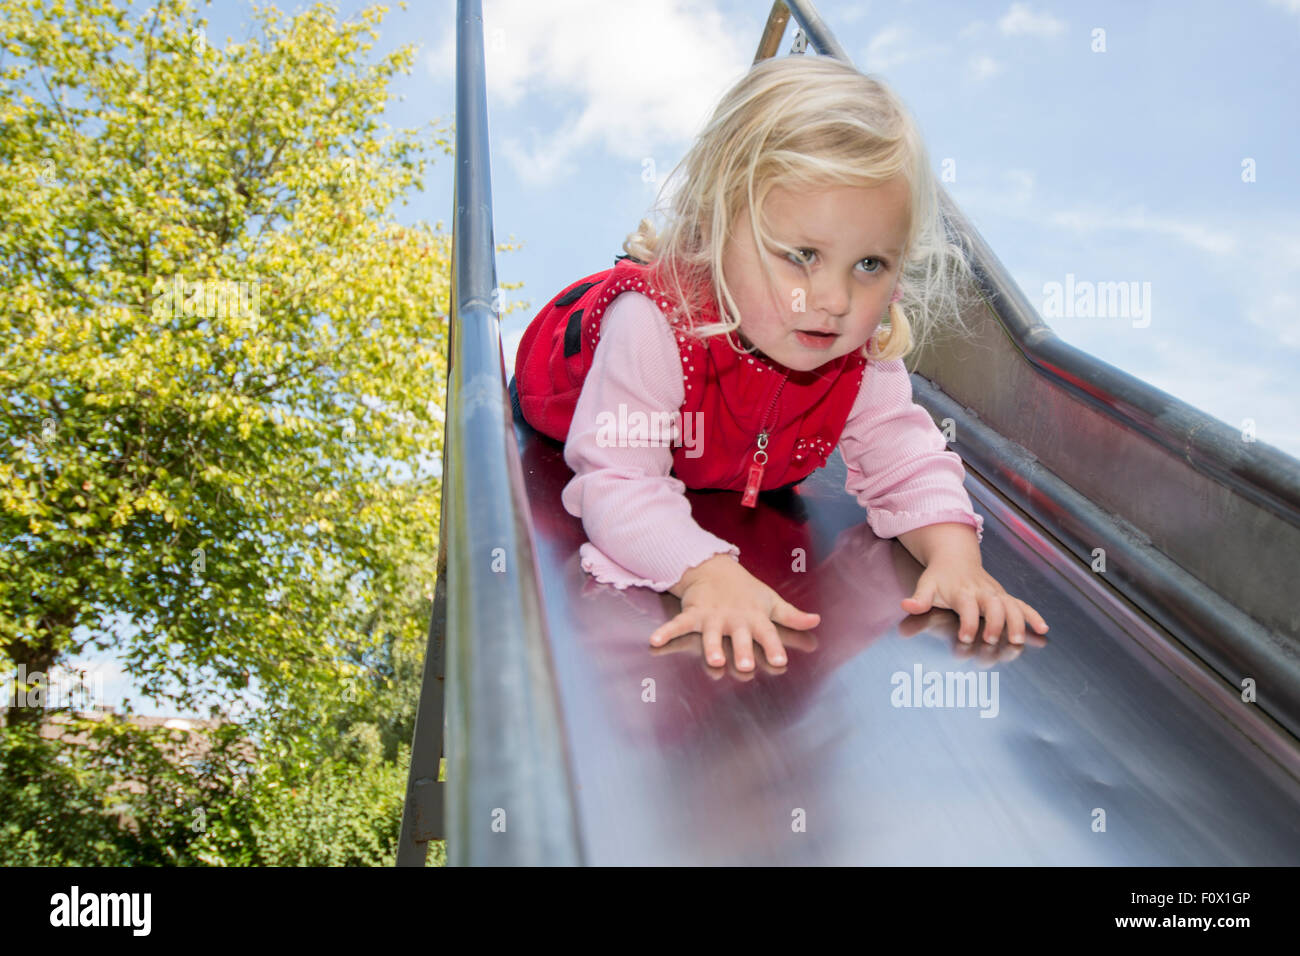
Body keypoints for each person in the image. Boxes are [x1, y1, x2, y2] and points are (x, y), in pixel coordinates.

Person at [512, 54, 1048, 672]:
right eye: (802, 254)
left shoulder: (856, 352)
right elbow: (619, 480)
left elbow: (906, 456)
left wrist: (956, 557)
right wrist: (706, 574)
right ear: (717, 226)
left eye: (870, 264)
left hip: (719, 451)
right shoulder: (656, 323)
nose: (835, 300)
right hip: (568, 390)